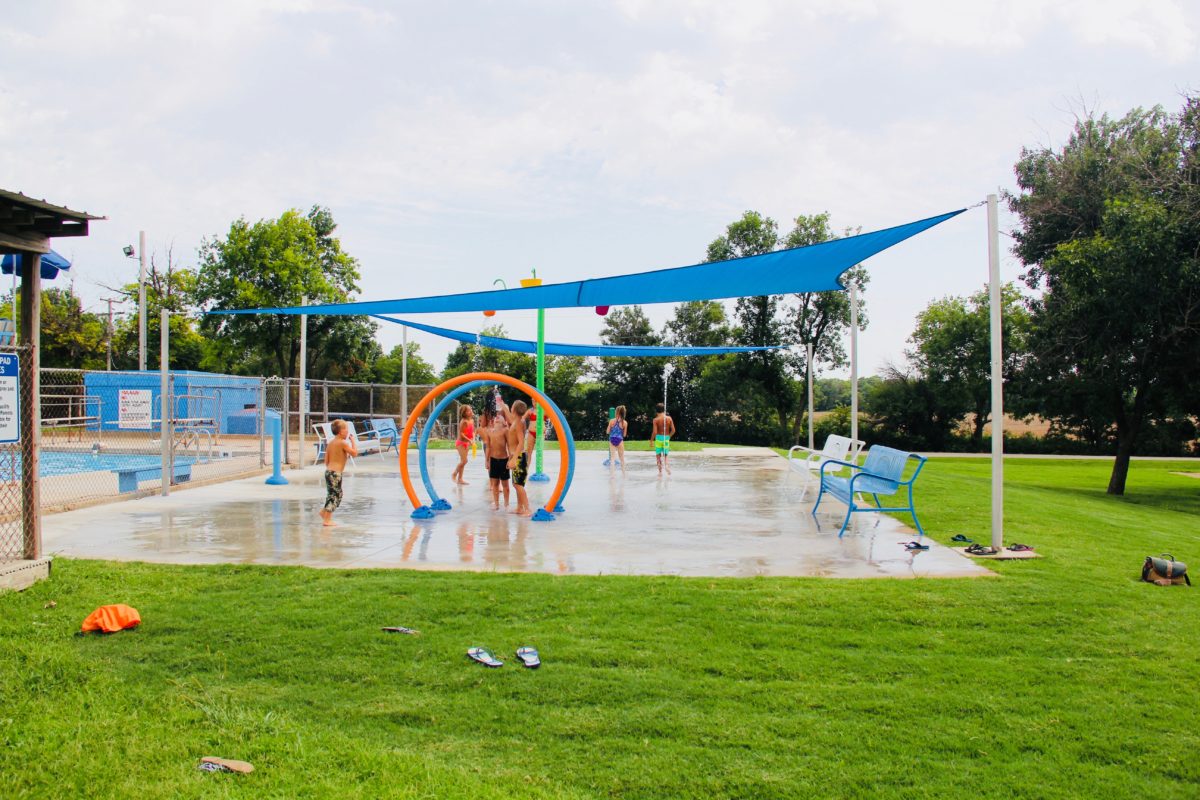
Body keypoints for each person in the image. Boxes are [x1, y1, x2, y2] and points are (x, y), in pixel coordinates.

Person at [319, 419, 358, 526]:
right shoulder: (342, 443)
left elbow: (326, 461)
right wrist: (353, 441)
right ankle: (327, 520)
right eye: (347, 430)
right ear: (341, 432)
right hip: (335, 473)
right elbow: (354, 453)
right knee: (335, 495)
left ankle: (324, 512)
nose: (348, 432)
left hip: (329, 472)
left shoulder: (331, 443)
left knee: (333, 494)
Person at [507, 400, 532, 516]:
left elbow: (521, 442)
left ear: (513, 409)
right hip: (517, 456)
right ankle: (519, 507)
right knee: (516, 484)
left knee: (518, 485)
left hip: (519, 457)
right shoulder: (518, 421)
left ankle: (527, 509)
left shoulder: (518, 423)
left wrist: (514, 459)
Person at [485, 396, 511, 510]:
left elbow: (509, 445)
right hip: (494, 460)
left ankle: (506, 503)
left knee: (505, 485)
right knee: (494, 484)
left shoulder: (506, 430)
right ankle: (496, 503)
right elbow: (488, 447)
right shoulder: (490, 432)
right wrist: (487, 461)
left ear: (504, 421)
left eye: (499, 417)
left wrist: (510, 458)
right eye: (496, 417)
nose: (497, 418)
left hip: (504, 460)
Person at [451, 404, 474, 485]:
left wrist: (472, 439)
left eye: (470, 409)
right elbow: (461, 434)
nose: (470, 411)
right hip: (460, 443)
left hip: (466, 443)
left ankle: (460, 479)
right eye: (468, 410)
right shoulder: (464, 421)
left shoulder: (471, 420)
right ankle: (454, 473)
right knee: (464, 461)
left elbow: (472, 431)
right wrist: (469, 440)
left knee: (462, 461)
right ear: (464, 413)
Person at [652, 402, 675, 475]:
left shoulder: (655, 420)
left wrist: (651, 440)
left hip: (658, 439)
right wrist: (668, 437)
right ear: (664, 410)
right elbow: (673, 430)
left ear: (656, 411)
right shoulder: (669, 418)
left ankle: (660, 473)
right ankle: (667, 467)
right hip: (666, 438)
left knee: (658, 456)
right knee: (666, 455)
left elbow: (655, 432)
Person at [606, 405, 628, 471]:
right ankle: (624, 475)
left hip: (612, 439)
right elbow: (624, 435)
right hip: (619, 440)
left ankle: (612, 476)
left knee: (612, 458)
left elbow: (607, 432)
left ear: (617, 412)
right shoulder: (625, 423)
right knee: (622, 459)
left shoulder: (611, 421)